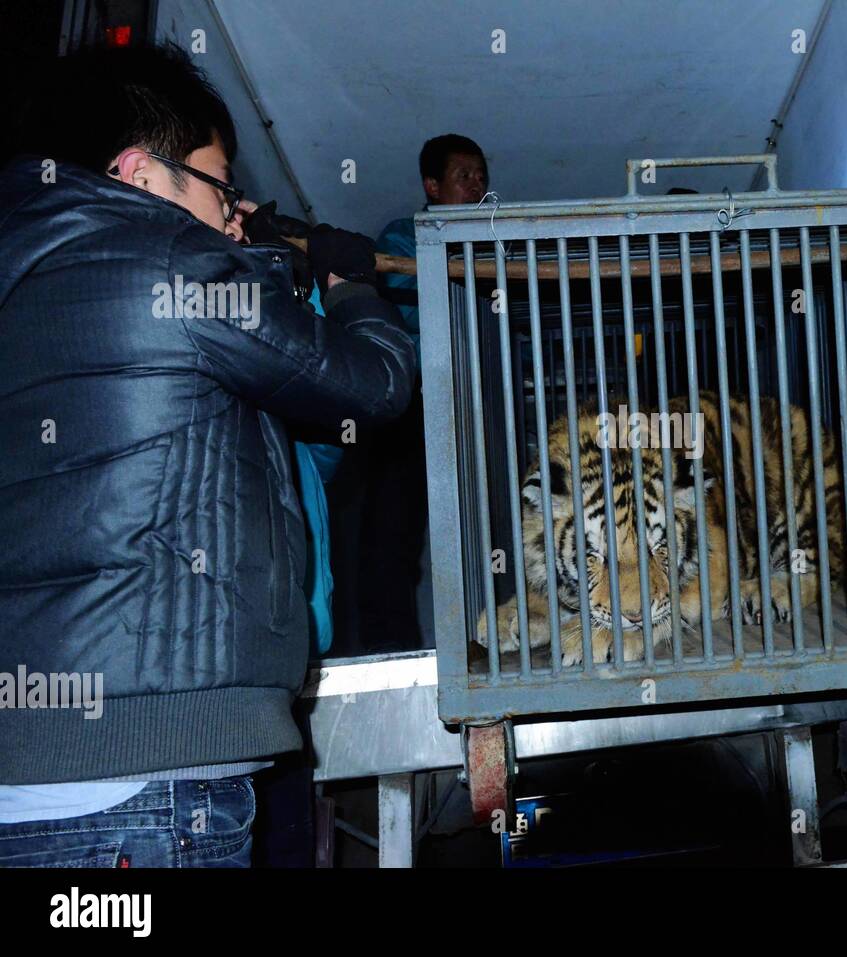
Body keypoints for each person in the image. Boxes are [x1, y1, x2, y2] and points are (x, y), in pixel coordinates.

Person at [0, 42, 417, 867]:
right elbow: (375, 384)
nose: (237, 207)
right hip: (143, 790)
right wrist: (350, 285)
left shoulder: (33, 278)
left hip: (45, 782)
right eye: (220, 181)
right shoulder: (170, 267)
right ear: (139, 172)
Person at [345, 135, 489, 652]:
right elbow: (408, 313)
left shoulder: (496, 237)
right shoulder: (403, 239)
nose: (476, 185)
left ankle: (484, 643)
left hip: (473, 409)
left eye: (480, 175)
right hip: (411, 410)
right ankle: (394, 651)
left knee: (480, 527)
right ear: (431, 186)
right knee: (395, 534)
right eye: (463, 176)